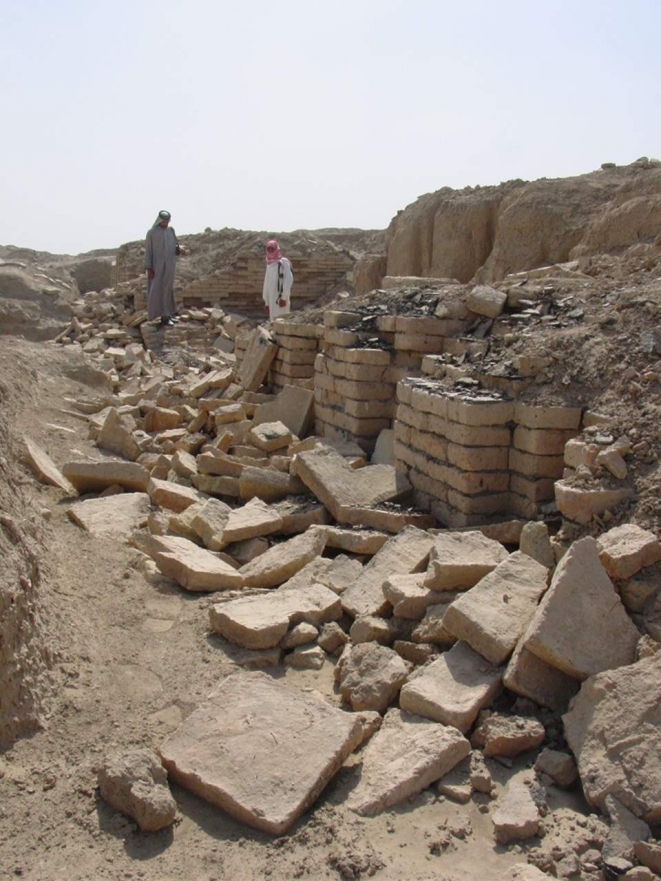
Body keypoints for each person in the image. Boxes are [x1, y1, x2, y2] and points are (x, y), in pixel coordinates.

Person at [144, 210, 185, 327]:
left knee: (168, 289)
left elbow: (175, 246)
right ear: (159, 220)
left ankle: (167, 315)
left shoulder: (171, 231)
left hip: (170, 264)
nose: (165, 223)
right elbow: (148, 251)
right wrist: (148, 267)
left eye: (167, 221)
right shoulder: (151, 233)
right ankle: (157, 314)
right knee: (156, 290)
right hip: (157, 266)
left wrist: (180, 250)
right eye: (164, 221)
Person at [262, 239, 293, 320]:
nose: (270, 251)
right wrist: (267, 303)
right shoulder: (269, 264)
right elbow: (267, 284)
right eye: (269, 249)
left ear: (276, 249)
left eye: (272, 249)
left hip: (281, 300)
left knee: (282, 320)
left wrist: (283, 298)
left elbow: (288, 280)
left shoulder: (283, 263)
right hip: (272, 300)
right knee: (273, 321)